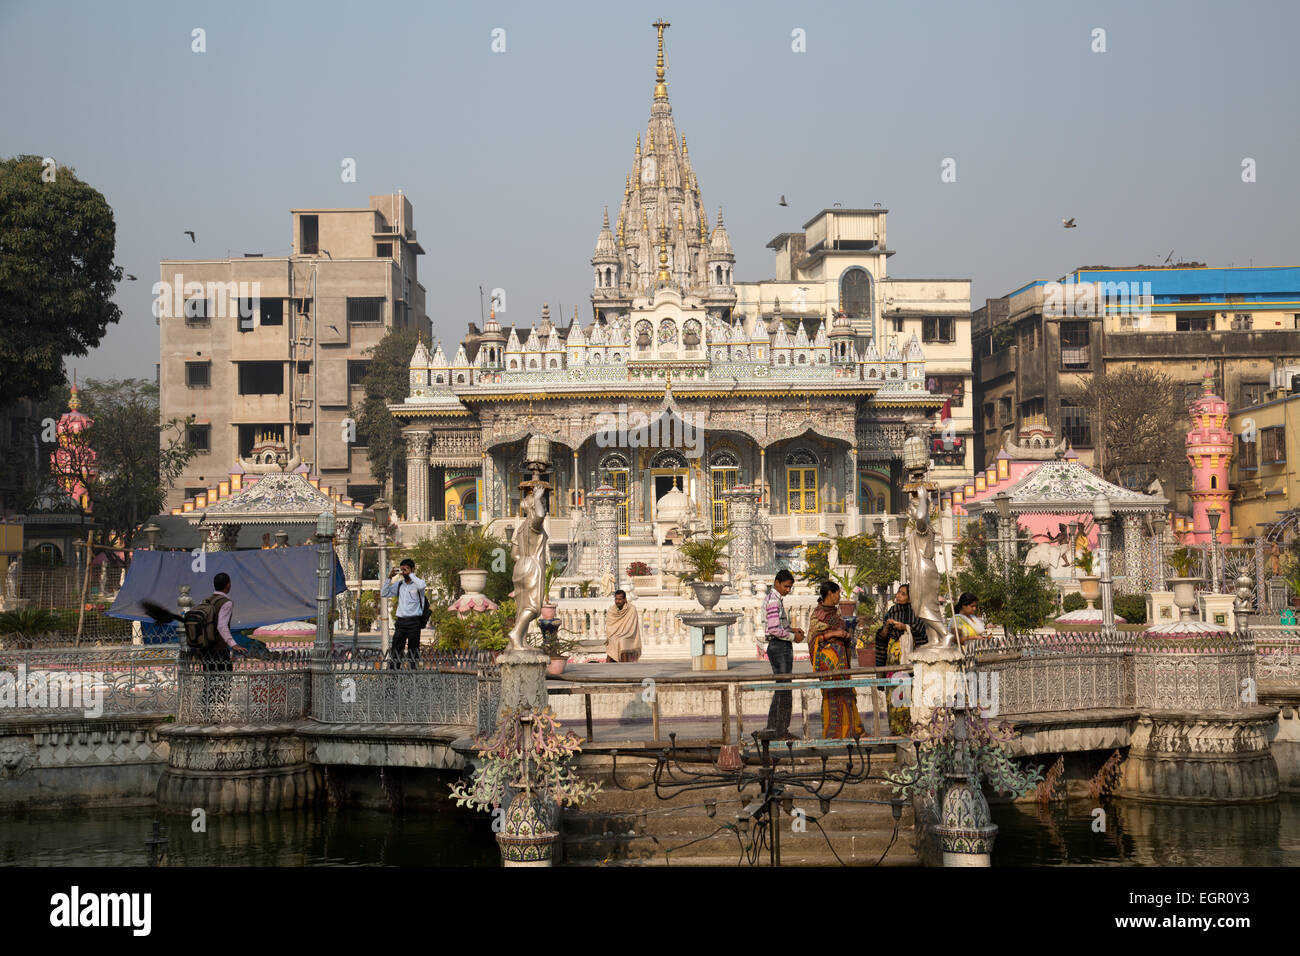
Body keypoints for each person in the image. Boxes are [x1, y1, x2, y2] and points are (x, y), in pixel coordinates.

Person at [809, 581, 864, 739]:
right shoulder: (818, 614)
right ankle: (833, 732)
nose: (839, 597)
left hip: (840, 660)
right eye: (838, 593)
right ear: (830, 593)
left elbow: (842, 629)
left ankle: (852, 730)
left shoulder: (836, 612)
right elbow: (813, 638)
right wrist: (834, 634)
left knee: (846, 693)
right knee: (832, 695)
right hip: (828, 662)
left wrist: (845, 634)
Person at [763, 569, 805, 740]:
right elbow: (773, 629)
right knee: (784, 689)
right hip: (779, 647)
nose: (788, 590)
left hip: (778, 645)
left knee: (781, 688)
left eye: (790, 587)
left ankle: (773, 728)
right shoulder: (774, 601)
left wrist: (792, 629)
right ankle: (780, 731)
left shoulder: (774, 599)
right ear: (777, 583)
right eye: (786, 586)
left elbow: (777, 625)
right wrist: (793, 637)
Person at [200, 572, 244, 720]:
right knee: (224, 679)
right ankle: (219, 713)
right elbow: (222, 626)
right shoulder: (226, 602)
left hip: (206, 648)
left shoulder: (207, 601)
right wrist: (233, 644)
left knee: (209, 681)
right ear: (228, 585)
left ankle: (206, 713)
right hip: (219, 648)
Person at [381, 558, 426, 667]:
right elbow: (384, 593)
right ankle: (393, 673)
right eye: (402, 570)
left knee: (413, 650)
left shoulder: (418, 584)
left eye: (406, 569)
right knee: (396, 648)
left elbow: (422, 585)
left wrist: (411, 574)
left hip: (414, 621)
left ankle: (413, 672)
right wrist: (389, 578)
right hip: (401, 622)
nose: (404, 572)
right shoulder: (400, 584)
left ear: (412, 569)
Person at [875, 584, 921, 666]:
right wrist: (887, 626)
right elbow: (882, 637)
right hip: (893, 655)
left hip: (913, 655)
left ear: (910, 598)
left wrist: (905, 627)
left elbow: (922, 631)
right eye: (898, 592)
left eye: (903, 594)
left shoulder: (917, 611)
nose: (898, 596)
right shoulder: (892, 611)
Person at [604, 589, 641, 662]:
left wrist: (621, 634)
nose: (617, 601)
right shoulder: (612, 609)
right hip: (615, 634)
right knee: (613, 640)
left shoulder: (631, 609)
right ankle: (608, 666)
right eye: (616, 599)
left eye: (620, 599)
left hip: (628, 635)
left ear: (624, 599)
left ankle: (624, 667)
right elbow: (610, 626)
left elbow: (631, 626)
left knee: (622, 641)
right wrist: (615, 635)